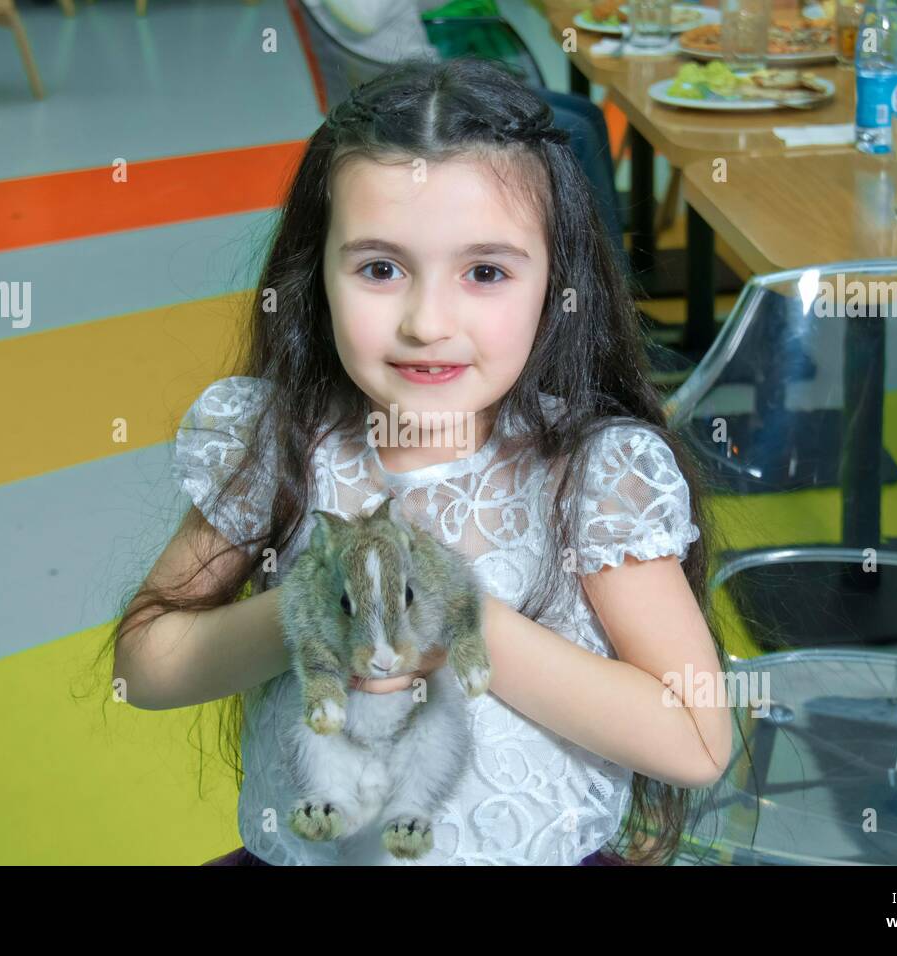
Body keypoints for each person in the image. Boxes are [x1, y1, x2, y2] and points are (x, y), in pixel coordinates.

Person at [111, 58, 742, 865]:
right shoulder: (279, 442)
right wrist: (321, 610)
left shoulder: (591, 476)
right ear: (320, 281)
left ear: (555, 284)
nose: (426, 320)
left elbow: (695, 739)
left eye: (485, 272)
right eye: (380, 268)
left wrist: (454, 619)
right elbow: (143, 667)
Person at [298, 0, 632, 286]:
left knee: (586, 112)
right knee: (577, 132)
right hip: (403, 90)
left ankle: (616, 281)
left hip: (432, 78)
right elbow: (362, 16)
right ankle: (603, 288)